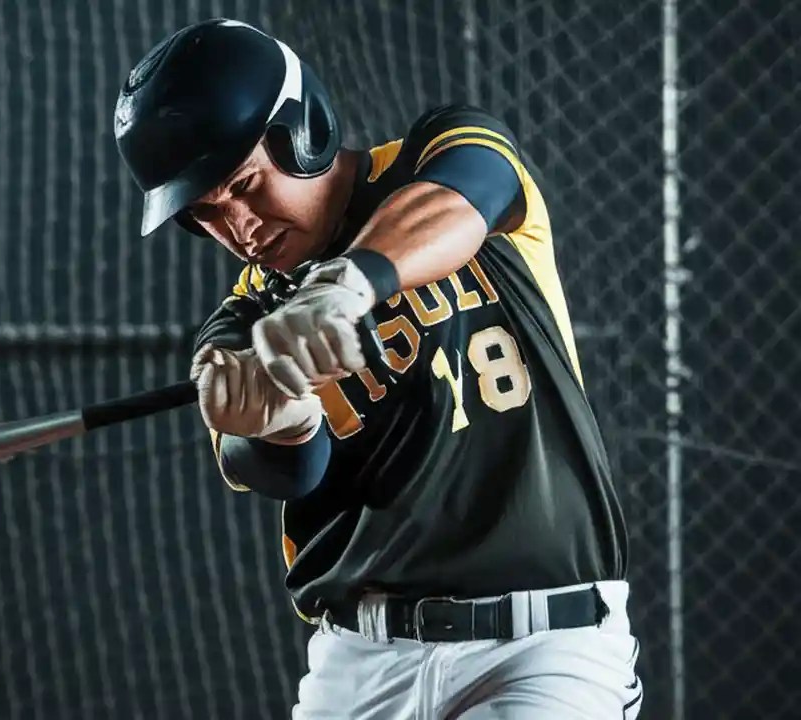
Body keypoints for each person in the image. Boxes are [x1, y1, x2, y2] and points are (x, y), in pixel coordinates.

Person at [114, 18, 643, 719]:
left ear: (299, 130)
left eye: (243, 185)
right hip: (361, 662)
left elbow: (467, 196)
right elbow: (282, 472)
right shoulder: (244, 322)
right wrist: (280, 418)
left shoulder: (437, 152)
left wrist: (345, 287)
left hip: (544, 645)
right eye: (207, 214)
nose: (238, 227)